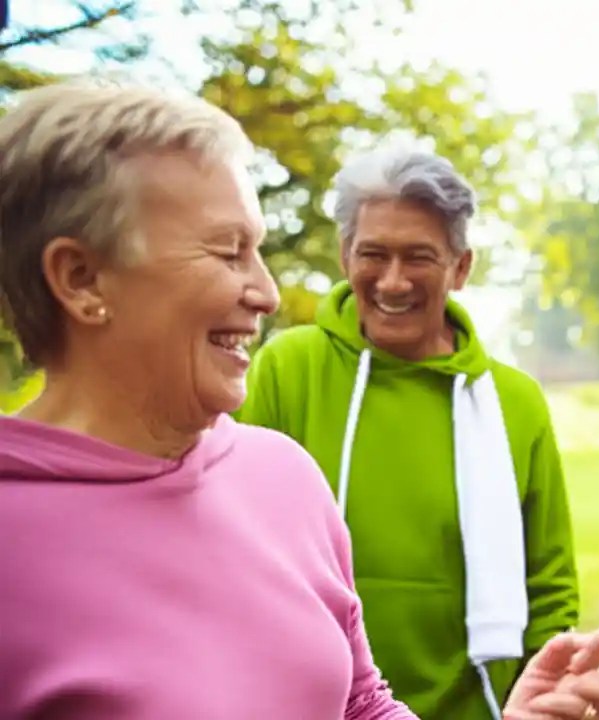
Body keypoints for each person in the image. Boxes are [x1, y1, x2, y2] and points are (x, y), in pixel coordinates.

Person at [0, 81, 599, 720]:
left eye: (258, 250)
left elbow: (360, 703)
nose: (268, 294)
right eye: (228, 252)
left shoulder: (282, 474)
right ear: (81, 279)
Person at [234, 138, 579, 718]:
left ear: (461, 267)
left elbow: (550, 584)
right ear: (345, 256)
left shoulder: (515, 402)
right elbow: (233, 547)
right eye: (374, 254)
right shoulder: (286, 370)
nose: (393, 282)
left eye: (418, 257)